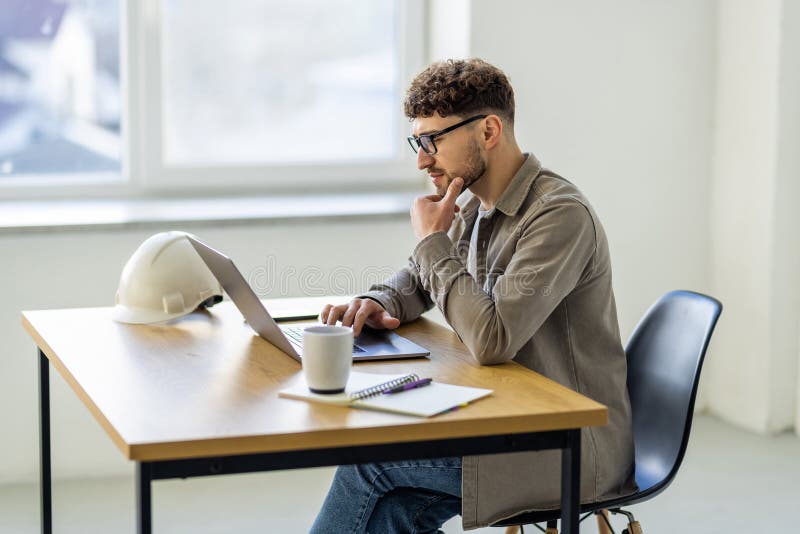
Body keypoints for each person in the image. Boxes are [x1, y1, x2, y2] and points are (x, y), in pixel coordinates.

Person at [310, 58, 637, 533]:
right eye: (418, 142)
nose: (423, 160)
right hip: (506, 420)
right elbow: (423, 279)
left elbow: (492, 338)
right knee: (393, 508)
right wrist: (380, 301)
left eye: (434, 140)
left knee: (369, 461)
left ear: (488, 131)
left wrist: (430, 242)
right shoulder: (478, 207)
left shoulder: (558, 215)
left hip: (568, 445)